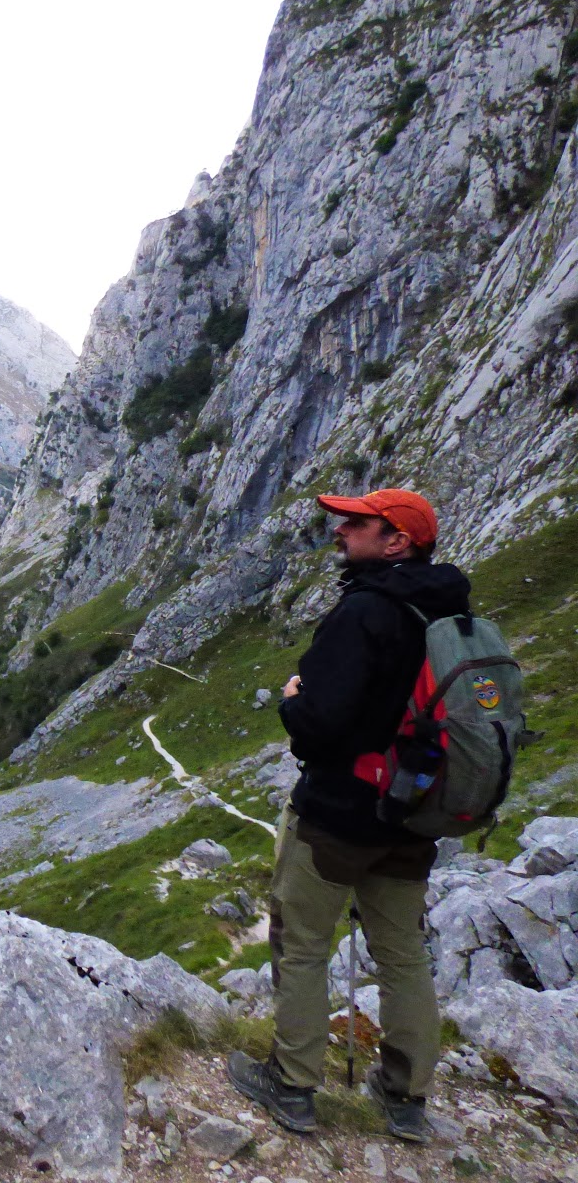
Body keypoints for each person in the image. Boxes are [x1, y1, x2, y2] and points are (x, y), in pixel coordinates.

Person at [227, 488, 469, 1143]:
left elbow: (318, 729)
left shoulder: (365, 611)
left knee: (302, 945)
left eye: (357, 523)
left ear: (397, 540)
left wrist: (291, 700)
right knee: (403, 957)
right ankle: (405, 1099)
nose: (340, 529)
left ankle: (293, 1086)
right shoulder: (450, 613)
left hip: (340, 813)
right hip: (414, 815)